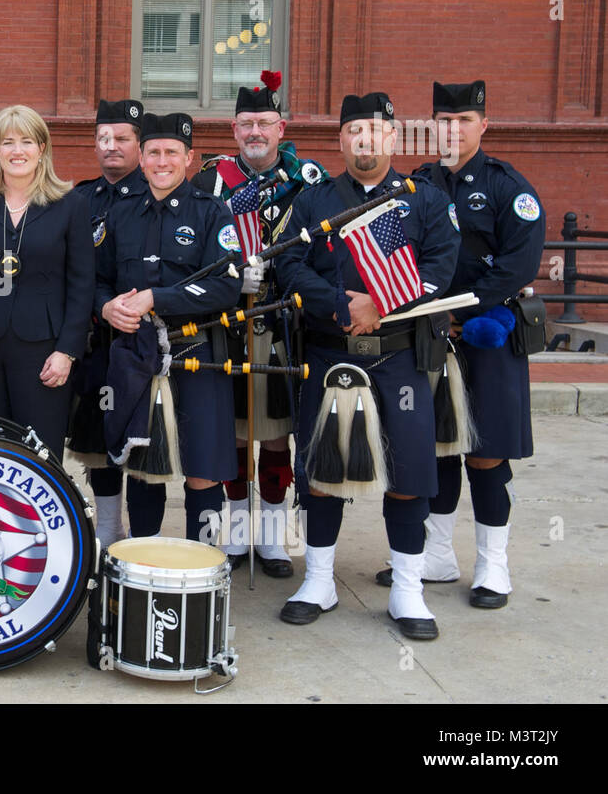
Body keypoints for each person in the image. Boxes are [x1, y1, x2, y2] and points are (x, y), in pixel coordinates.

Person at [274, 92, 460, 640]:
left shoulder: (422, 200)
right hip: (330, 352)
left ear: (394, 139)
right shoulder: (316, 201)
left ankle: (407, 589)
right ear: (340, 140)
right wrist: (342, 305)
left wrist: (382, 305)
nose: (365, 140)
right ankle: (320, 581)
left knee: (409, 472)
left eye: (376, 131)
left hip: (398, 354)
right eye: (354, 130)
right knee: (319, 471)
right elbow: (288, 263)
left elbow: (440, 269)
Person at [372, 80, 543, 609]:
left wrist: (458, 311)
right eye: (443, 121)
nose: (452, 130)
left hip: (488, 336)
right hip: (428, 337)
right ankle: (438, 556)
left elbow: (519, 266)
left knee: (487, 454)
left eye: (463, 121)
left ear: (483, 125)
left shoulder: (506, 187)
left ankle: (494, 565)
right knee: (438, 447)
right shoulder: (420, 183)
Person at [191, 72, 328, 577]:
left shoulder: (307, 179)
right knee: (231, 428)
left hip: (286, 316)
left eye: (264, 123)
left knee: (275, 427)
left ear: (281, 127)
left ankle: (272, 535)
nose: (255, 132)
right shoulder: (210, 179)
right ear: (233, 129)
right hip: (228, 315)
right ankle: (237, 529)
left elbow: (320, 241)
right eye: (246, 123)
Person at [95, 112, 244, 541]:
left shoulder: (211, 212)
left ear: (189, 158)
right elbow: (98, 280)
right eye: (154, 152)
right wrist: (106, 308)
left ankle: (204, 566)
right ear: (141, 158)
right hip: (136, 356)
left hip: (198, 354)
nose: (162, 161)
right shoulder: (120, 213)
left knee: (203, 469)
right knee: (145, 468)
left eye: (172, 153)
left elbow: (227, 287)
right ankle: (144, 563)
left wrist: (157, 299)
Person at [0, 105, 93, 460]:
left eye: (27, 141)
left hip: (45, 352)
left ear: (42, 148)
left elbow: (82, 285)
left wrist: (67, 352)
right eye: (7, 142)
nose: (17, 151)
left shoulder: (71, 205)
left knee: (40, 458)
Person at [67, 99, 147, 550]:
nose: (110, 147)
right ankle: (110, 528)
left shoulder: (153, 193)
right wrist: (102, 306)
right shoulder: (82, 198)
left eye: (121, 139)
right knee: (99, 440)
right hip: (97, 340)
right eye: (103, 139)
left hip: (143, 344)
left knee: (139, 444)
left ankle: (141, 536)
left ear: (139, 144)